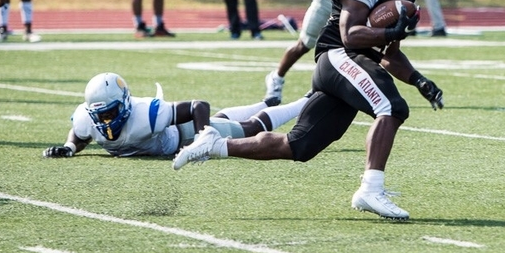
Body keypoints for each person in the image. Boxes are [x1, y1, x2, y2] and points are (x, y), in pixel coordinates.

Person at [174, 0, 445, 222]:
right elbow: (350, 35)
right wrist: (389, 33)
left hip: (352, 66)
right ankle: (370, 189)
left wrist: (419, 80)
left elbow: (389, 55)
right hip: (338, 57)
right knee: (391, 107)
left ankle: (215, 144)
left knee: (299, 145)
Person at [41, 72, 310, 159]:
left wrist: (204, 137)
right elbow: (80, 134)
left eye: (111, 113)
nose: (106, 121)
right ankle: (266, 101)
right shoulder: (88, 118)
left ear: (124, 104)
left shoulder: (147, 113)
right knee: (224, 119)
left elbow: (197, 106)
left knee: (249, 129)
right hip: (167, 143)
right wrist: (69, 148)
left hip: (181, 135)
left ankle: (304, 101)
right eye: (101, 115)